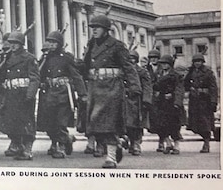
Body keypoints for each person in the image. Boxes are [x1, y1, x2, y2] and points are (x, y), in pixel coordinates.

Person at [82, 12, 141, 168]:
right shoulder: (91, 45)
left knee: (109, 123)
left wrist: (134, 86)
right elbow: (86, 66)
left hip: (112, 87)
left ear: (106, 29)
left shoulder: (117, 45)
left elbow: (128, 67)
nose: (94, 30)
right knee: (95, 124)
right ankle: (118, 143)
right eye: (92, 27)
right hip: (95, 87)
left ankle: (111, 157)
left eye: (98, 28)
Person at [37, 30, 86, 159]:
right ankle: (62, 140)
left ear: (59, 44)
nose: (51, 45)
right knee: (49, 122)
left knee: (60, 122)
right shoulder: (45, 58)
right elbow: (38, 74)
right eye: (49, 42)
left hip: (63, 93)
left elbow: (76, 76)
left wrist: (82, 94)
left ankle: (61, 146)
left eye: (54, 42)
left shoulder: (66, 58)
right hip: (49, 94)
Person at [0, 28, 40, 160]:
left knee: (26, 122)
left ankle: (27, 149)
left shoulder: (29, 58)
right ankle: (17, 145)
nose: (12, 45)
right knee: (11, 122)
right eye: (11, 43)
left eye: (15, 43)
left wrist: (30, 94)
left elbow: (35, 78)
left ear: (21, 44)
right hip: (10, 94)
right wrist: (0, 61)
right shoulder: (7, 58)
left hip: (24, 95)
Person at [184, 54, 219, 153]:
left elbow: (213, 88)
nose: (197, 63)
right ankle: (205, 139)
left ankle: (206, 143)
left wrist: (213, 101)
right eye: (195, 62)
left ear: (202, 62)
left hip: (205, 101)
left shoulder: (208, 72)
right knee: (194, 124)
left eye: (199, 61)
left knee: (205, 123)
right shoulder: (191, 72)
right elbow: (185, 84)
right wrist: (187, 73)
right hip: (194, 101)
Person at [152, 53, 185, 154]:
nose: (164, 65)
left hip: (172, 104)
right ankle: (168, 143)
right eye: (162, 63)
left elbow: (179, 89)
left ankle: (176, 146)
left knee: (174, 125)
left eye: (166, 63)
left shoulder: (176, 76)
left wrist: (176, 101)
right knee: (161, 125)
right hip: (161, 103)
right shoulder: (159, 74)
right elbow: (155, 86)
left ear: (170, 64)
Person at [124, 50, 153, 156]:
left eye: (133, 58)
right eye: (129, 58)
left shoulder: (142, 72)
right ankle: (130, 141)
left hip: (138, 101)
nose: (131, 61)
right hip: (125, 100)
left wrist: (146, 100)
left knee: (137, 124)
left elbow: (147, 87)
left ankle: (136, 143)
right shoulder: (124, 71)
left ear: (136, 60)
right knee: (127, 123)